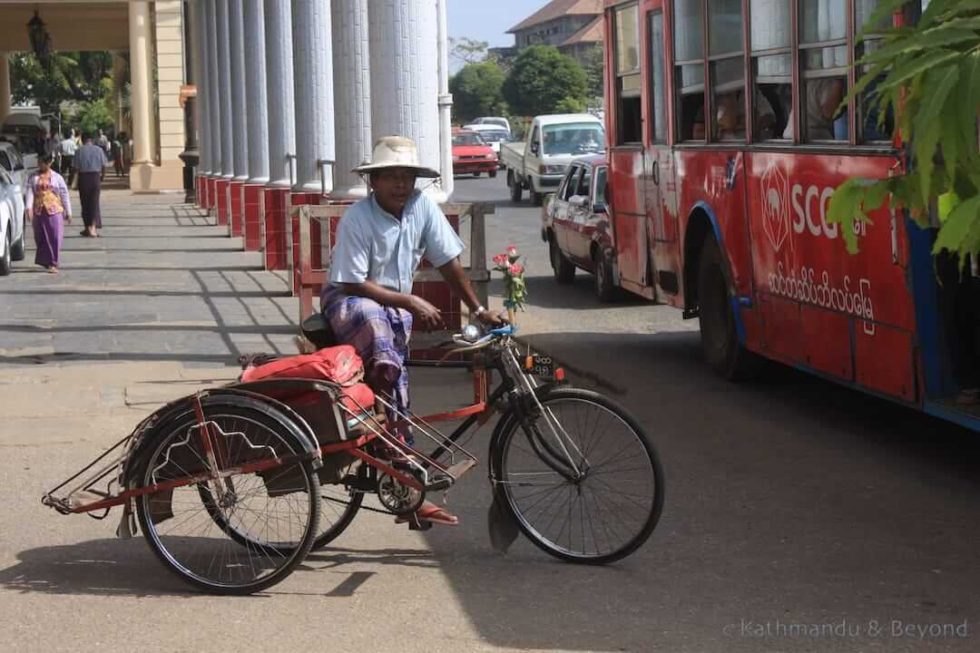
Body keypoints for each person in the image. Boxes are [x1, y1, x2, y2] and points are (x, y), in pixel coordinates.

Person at [321, 135, 506, 527]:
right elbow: (352, 283)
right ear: (374, 182)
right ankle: (400, 460)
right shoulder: (358, 217)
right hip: (347, 301)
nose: (401, 185)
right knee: (377, 325)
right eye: (391, 177)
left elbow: (448, 262)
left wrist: (478, 309)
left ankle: (401, 470)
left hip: (391, 310)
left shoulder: (422, 207)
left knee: (392, 349)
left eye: (407, 177)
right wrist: (409, 301)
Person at [25, 154, 72, 274]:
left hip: (54, 211)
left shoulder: (57, 177)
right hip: (39, 211)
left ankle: (54, 263)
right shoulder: (33, 177)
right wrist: (28, 208)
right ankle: (45, 260)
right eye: (39, 162)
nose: (39, 165)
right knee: (40, 237)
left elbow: (64, 194)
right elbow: (30, 192)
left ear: (49, 163)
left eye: (42, 162)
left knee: (55, 237)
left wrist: (68, 211)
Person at [75, 132, 108, 237]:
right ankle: (93, 228)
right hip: (95, 177)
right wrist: (102, 176)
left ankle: (87, 227)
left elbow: (75, 168)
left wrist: (73, 181)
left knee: (84, 203)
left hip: (83, 178)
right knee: (94, 202)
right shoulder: (99, 150)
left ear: (82, 140)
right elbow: (104, 165)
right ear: (92, 140)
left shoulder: (79, 151)